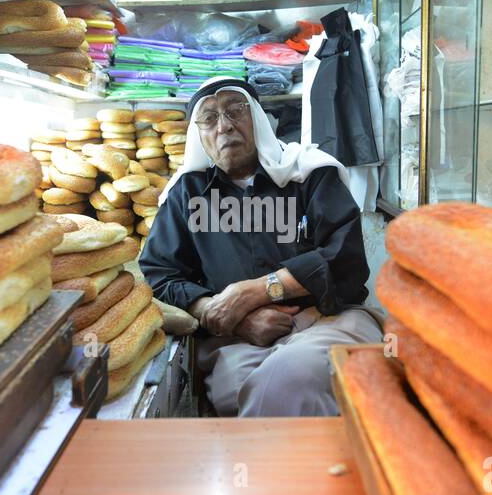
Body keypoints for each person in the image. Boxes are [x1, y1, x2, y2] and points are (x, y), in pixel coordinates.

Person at [140, 77, 382, 417]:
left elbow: (345, 261)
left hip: (327, 320)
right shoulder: (187, 195)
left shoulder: (309, 175)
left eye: (234, 111)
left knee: (292, 378)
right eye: (209, 118)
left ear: (257, 117)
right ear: (200, 135)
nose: (223, 126)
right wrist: (231, 317)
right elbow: (160, 277)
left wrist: (254, 292)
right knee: (235, 391)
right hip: (236, 339)